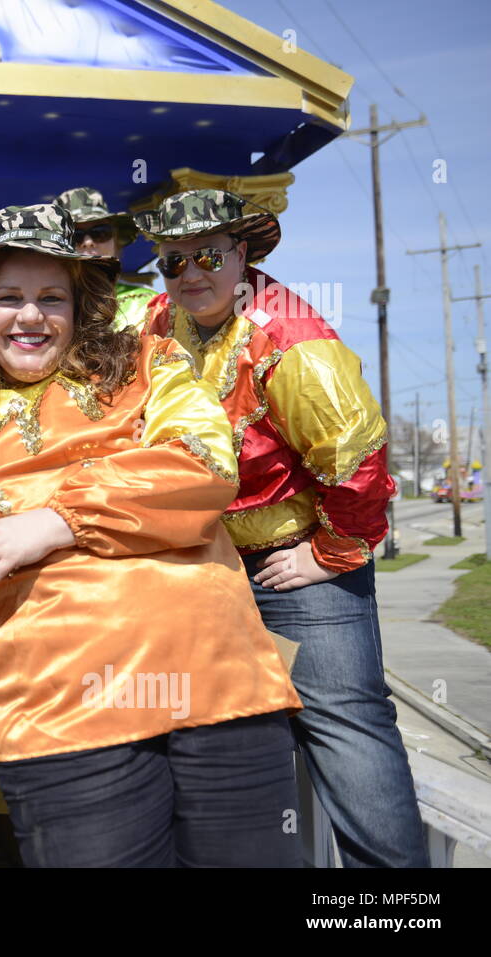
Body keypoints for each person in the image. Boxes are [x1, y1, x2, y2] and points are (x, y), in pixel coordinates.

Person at [0, 203, 303, 868]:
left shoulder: (150, 365)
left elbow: (206, 463)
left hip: (221, 688)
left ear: (80, 307)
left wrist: (56, 522)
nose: (31, 316)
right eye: (8, 298)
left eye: (52, 297)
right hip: (65, 718)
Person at [134, 188, 428, 867]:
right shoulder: (156, 323)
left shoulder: (288, 335)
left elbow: (356, 457)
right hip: (205, 572)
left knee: (344, 727)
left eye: (209, 255)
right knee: (224, 740)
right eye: (173, 263)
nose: (191, 274)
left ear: (243, 253)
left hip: (296, 568)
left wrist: (330, 552)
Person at [55, 187, 154, 332]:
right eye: (74, 236)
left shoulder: (150, 305)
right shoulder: (40, 307)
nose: (88, 242)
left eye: (100, 233)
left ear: (116, 241)